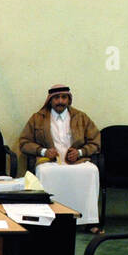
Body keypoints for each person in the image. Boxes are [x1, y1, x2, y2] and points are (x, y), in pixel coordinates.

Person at [17, 83, 103, 233]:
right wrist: (43, 151)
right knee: (45, 173)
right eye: (56, 98)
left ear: (69, 100)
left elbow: (96, 142)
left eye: (64, 97)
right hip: (50, 162)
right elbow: (24, 143)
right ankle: (49, 218)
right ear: (50, 100)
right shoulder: (38, 118)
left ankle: (89, 221)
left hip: (77, 161)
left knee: (92, 171)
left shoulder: (81, 117)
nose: (60, 101)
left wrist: (80, 152)